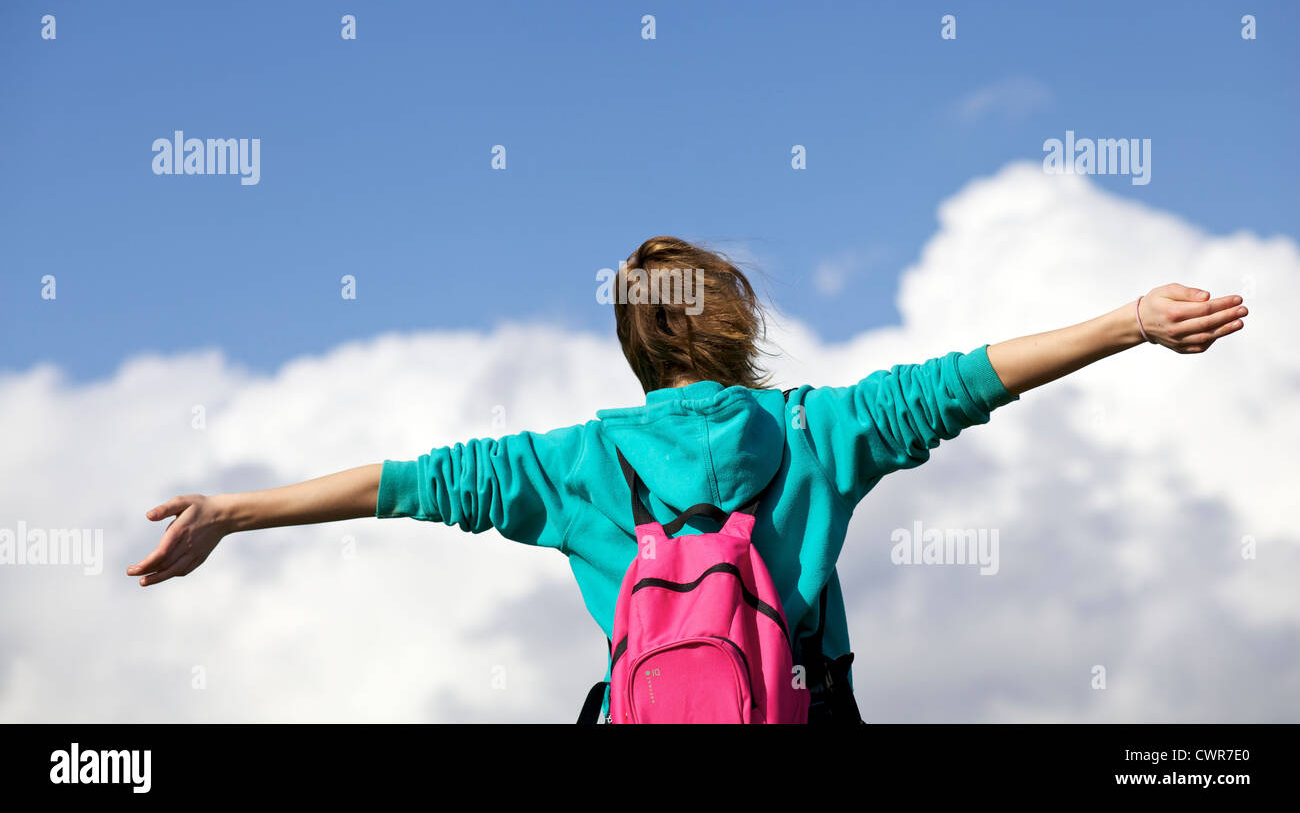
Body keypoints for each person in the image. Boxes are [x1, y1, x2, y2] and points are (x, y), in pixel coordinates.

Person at [126, 236, 1248, 722]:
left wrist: (232, 508)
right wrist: (1125, 323)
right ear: (740, 327)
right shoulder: (824, 429)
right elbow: (969, 378)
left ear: (636, 349)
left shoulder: (569, 462)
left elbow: (406, 482)